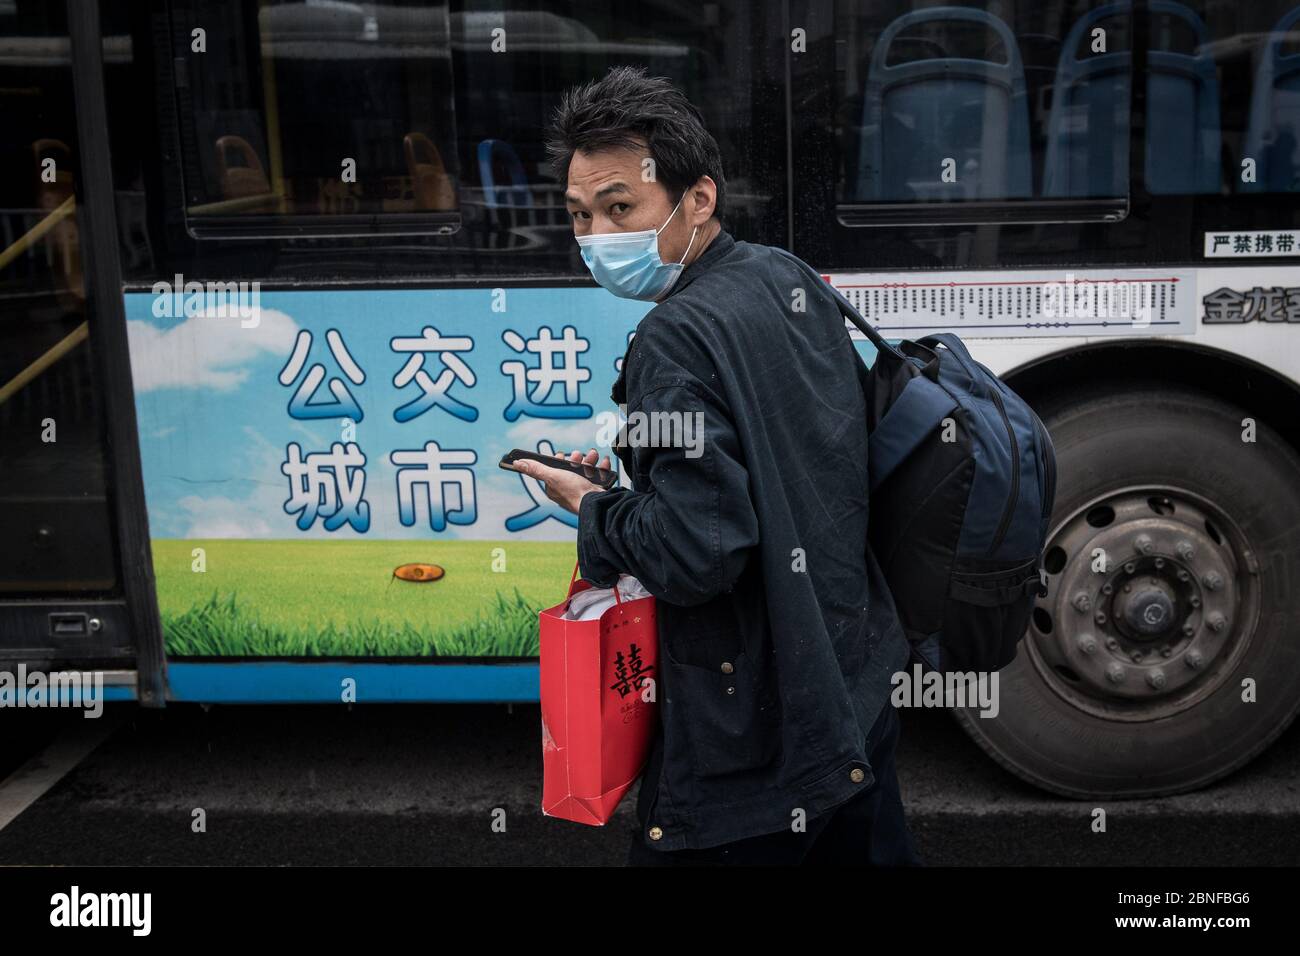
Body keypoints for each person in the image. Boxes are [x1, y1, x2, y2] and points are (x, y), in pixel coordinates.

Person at [508, 65, 921, 866]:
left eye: (620, 207)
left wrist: (593, 510)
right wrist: (639, 492)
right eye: (579, 215)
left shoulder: (673, 339)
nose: (596, 238)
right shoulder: (784, 275)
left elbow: (699, 552)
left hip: (751, 724)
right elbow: (779, 463)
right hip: (849, 683)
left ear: (698, 199)